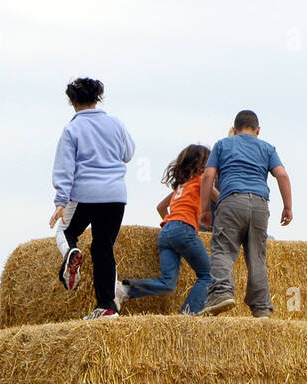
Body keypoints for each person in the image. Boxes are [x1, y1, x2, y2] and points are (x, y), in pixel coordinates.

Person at [49, 77, 135, 320]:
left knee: (64, 231)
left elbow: (65, 168)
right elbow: (128, 153)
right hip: (116, 196)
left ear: (72, 101)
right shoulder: (115, 124)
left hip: (86, 194)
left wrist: (60, 202)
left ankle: (71, 254)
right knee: (103, 247)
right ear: (98, 99)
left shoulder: (72, 129)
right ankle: (107, 306)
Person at [198, 110, 293, 317]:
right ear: (258, 130)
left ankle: (222, 292)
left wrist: (205, 209)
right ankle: (261, 308)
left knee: (223, 249)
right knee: (257, 256)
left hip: (231, 200)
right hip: (260, 205)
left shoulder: (223, 144)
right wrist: (288, 207)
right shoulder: (267, 148)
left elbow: (208, 176)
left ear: (234, 128)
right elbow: (282, 175)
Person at [114, 144, 217, 315]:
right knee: (209, 275)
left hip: (166, 231)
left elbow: (161, 208)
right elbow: (218, 197)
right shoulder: (201, 179)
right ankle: (187, 316)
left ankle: (124, 289)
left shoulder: (180, 187)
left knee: (168, 283)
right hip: (183, 230)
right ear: (202, 165)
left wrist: (174, 225)